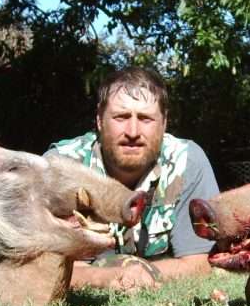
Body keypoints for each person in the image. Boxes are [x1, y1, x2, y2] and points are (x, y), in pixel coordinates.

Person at [46, 66, 220, 293]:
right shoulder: (61, 167)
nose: (133, 131)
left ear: (164, 122)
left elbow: (199, 263)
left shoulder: (188, 162)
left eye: (146, 118)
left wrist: (144, 273)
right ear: (99, 120)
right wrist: (106, 278)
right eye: (121, 117)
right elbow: (43, 267)